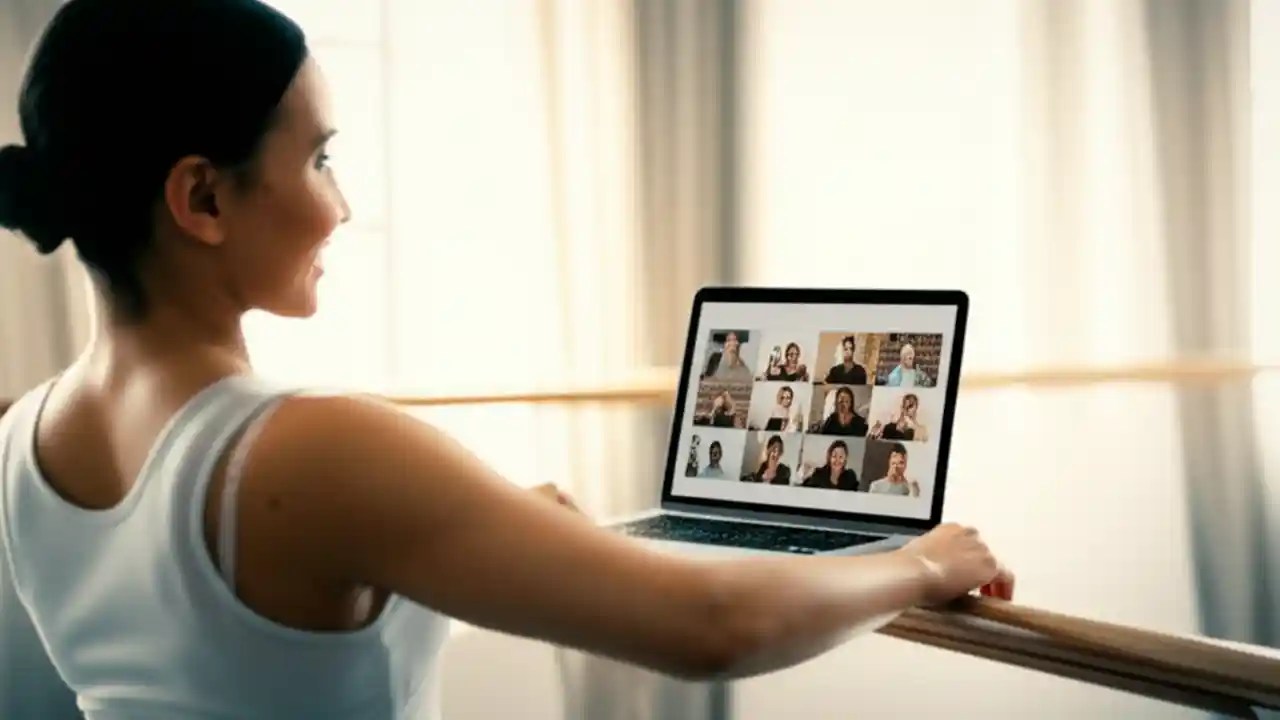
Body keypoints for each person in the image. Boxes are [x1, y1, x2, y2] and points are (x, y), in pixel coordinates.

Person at [0, 2, 1013, 717]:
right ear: (202, 200)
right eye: (317, 158)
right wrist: (918, 563)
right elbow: (711, 625)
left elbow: (240, 646)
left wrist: (479, 537)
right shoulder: (310, 448)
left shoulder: (25, 434)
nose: (340, 205)